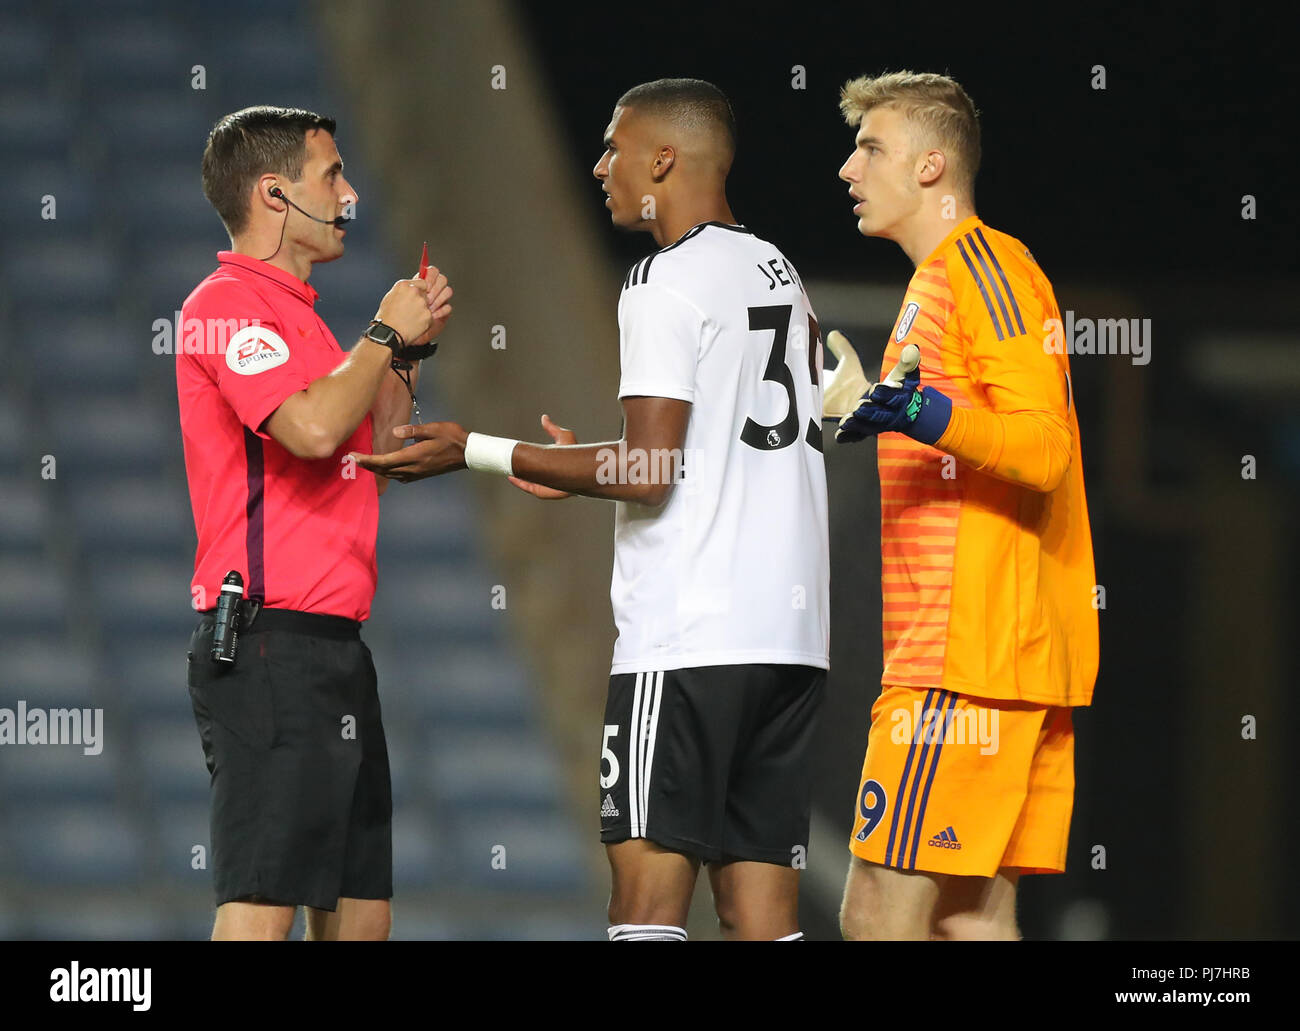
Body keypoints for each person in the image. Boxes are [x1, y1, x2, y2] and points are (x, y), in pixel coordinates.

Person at [353, 79, 829, 941]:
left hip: (688, 643)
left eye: (615, 146)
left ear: (664, 158)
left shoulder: (662, 279)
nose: (601, 164)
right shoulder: (776, 269)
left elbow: (649, 468)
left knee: (645, 910)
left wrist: (476, 449)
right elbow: (718, 443)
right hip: (789, 647)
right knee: (762, 915)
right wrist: (575, 463)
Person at [825, 71, 1098, 940]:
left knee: (878, 912)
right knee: (967, 920)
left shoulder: (987, 267)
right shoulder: (940, 283)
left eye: (871, 147)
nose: (847, 168)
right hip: (980, 660)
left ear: (933, 166)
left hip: (964, 662)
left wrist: (918, 411)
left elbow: (1045, 449)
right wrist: (880, 408)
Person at [177, 105, 453, 940]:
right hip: (268, 644)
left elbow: (378, 445)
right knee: (262, 907)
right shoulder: (224, 307)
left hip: (334, 649)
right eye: (332, 176)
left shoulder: (301, 316)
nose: (350, 193)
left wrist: (405, 350)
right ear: (274, 193)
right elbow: (309, 429)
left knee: (362, 913)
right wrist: (379, 334)